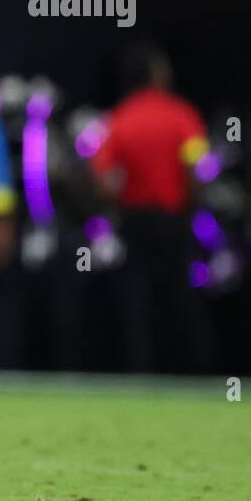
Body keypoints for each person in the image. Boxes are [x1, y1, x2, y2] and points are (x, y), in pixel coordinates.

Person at [91, 46, 212, 372]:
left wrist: (117, 200)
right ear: (157, 74)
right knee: (184, 301)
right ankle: (194, 373)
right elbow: (198, 166)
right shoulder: (182, 114)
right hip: (174, 219)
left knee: (137, 304)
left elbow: (99, 175)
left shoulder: (119, 118)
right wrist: (192, 203)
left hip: (135, 222)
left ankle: (139, 374)